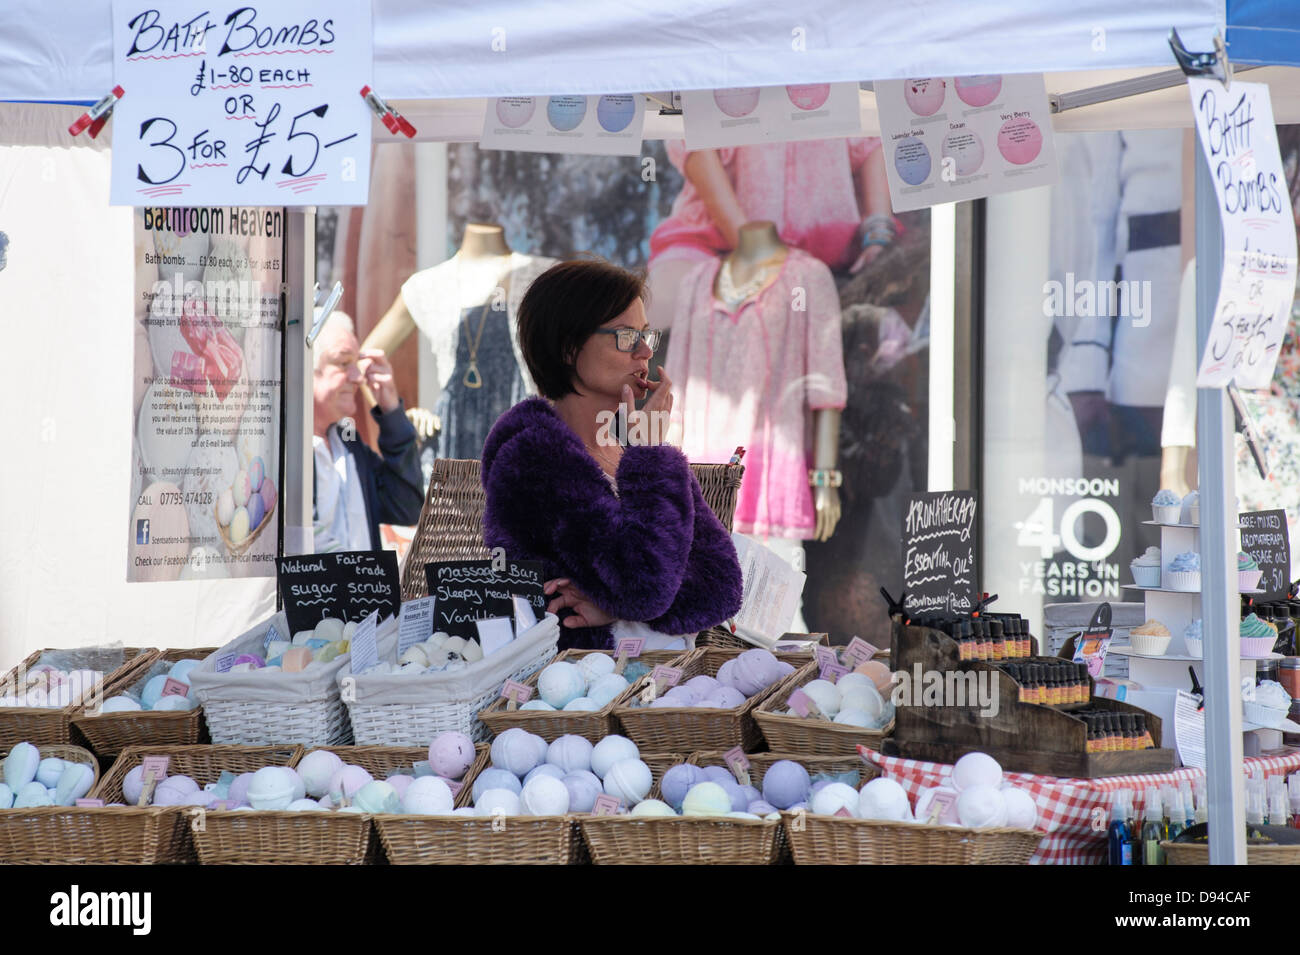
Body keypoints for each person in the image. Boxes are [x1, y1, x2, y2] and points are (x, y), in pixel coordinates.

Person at [481, 259, 744, 650]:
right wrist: (652, 452)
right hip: (581, 691)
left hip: (668, 687)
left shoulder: (636, 451)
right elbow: (646, 587)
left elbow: (721, 587)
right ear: (569, 348)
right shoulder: (533, 459)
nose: (644, 353)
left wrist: (615, 607)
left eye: (645, 335)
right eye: (625, 337)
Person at [312, 312, 425, 552]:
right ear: (305, 368)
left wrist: (391, 410)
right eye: (344, 363)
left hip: (365, 588)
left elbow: (406, 506)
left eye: (357, 363)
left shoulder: (348, 443)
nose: (358, 376)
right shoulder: (284, 450)